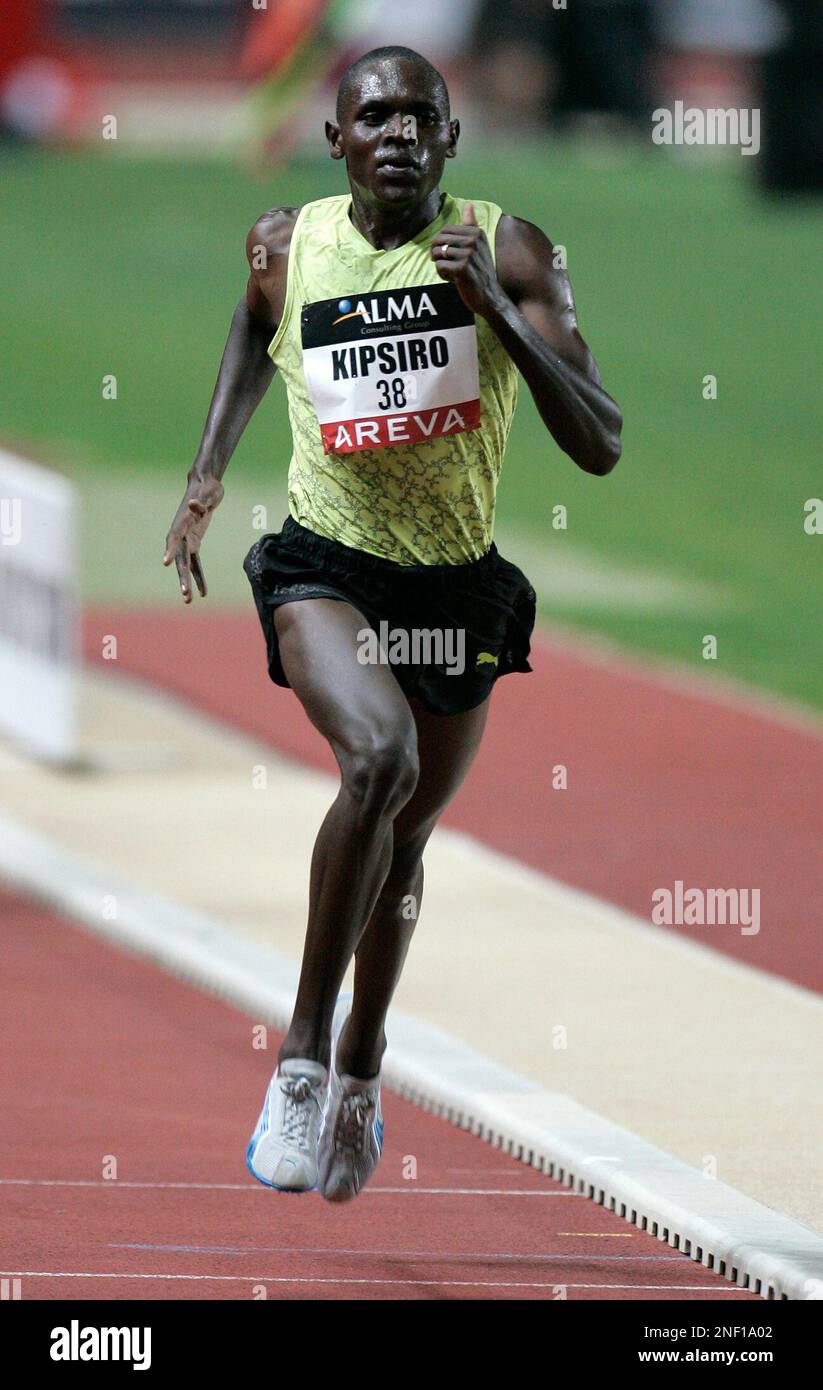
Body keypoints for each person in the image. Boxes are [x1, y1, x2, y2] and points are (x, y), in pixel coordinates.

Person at [162, 45, 622, 1203]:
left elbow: (601, 440)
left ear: (452, 140)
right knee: (378, 757)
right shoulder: (286, 243)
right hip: (326, 565)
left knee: (405, 836)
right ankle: (302, 1061)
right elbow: (249, 326)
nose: (399, 133)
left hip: (456, 589)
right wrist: (207, 474)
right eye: (375, 117)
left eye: (423, 116)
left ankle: (366, 1069)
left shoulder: (511, 250)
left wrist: (495, 321)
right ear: (337, 141)